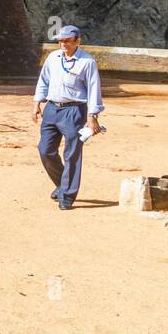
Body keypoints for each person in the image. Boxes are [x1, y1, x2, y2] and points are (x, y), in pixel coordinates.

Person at [33, 25, 104, 210]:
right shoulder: (53, 58)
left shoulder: (87, 62)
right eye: (60, 41)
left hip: (74, 111)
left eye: (67, 41)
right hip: (51, 109)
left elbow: (94, 89)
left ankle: (67, 195)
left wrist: (92, 116)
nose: (63, 44)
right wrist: (36, 103)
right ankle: (63, 184)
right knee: (45, 150)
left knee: (72, 154)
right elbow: (43, 80)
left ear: (77, 41)